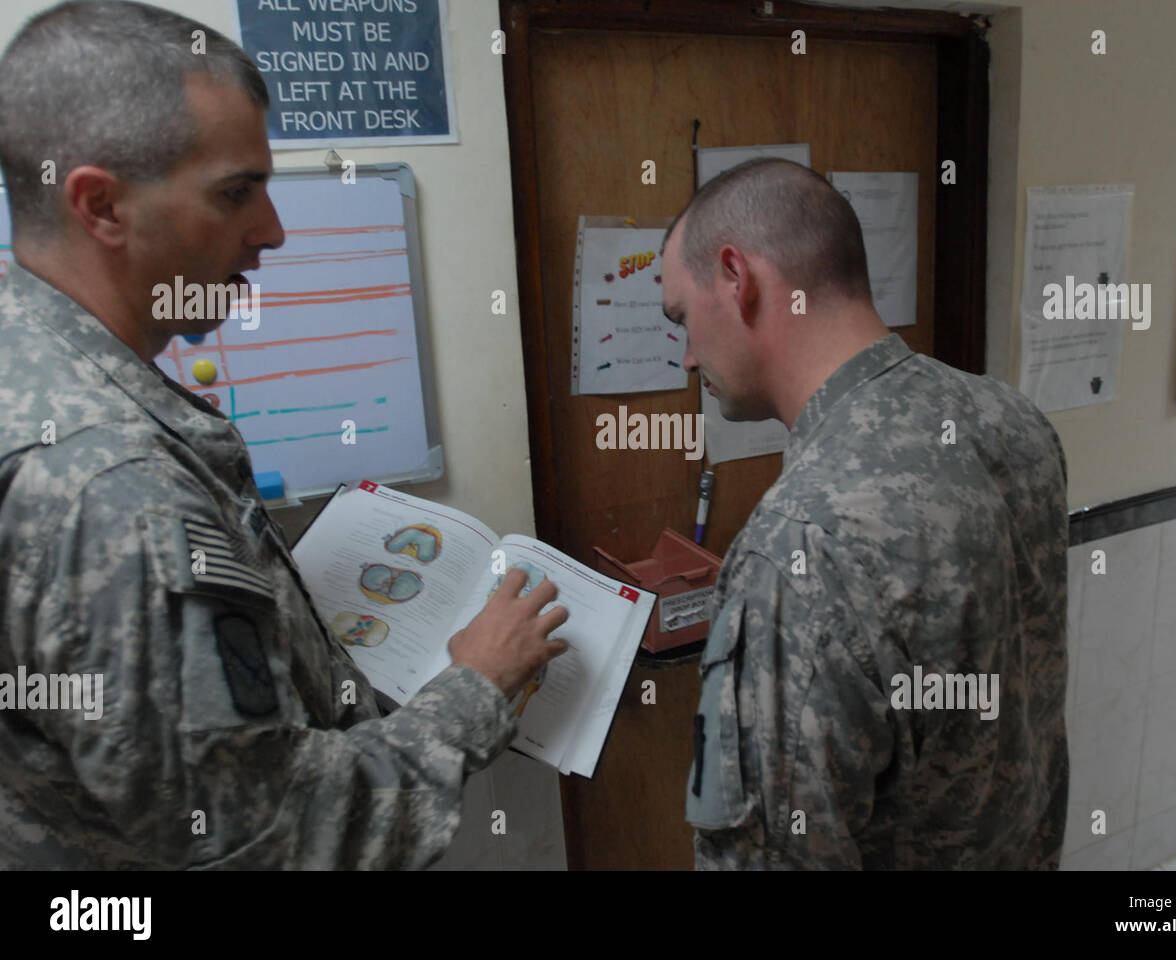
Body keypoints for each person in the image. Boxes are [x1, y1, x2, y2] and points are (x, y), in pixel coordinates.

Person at [0, 0, 568, 869]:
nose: (273, 231)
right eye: (236, 193)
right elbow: (267, 837)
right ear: (101, 205)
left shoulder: (32, 357)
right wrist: (475, 690)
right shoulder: (112, 482)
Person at [660, 158, 1069, 869]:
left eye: (682, 317)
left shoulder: (799, 546)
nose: (689, 357)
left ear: (737, 277)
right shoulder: (1012, 420)